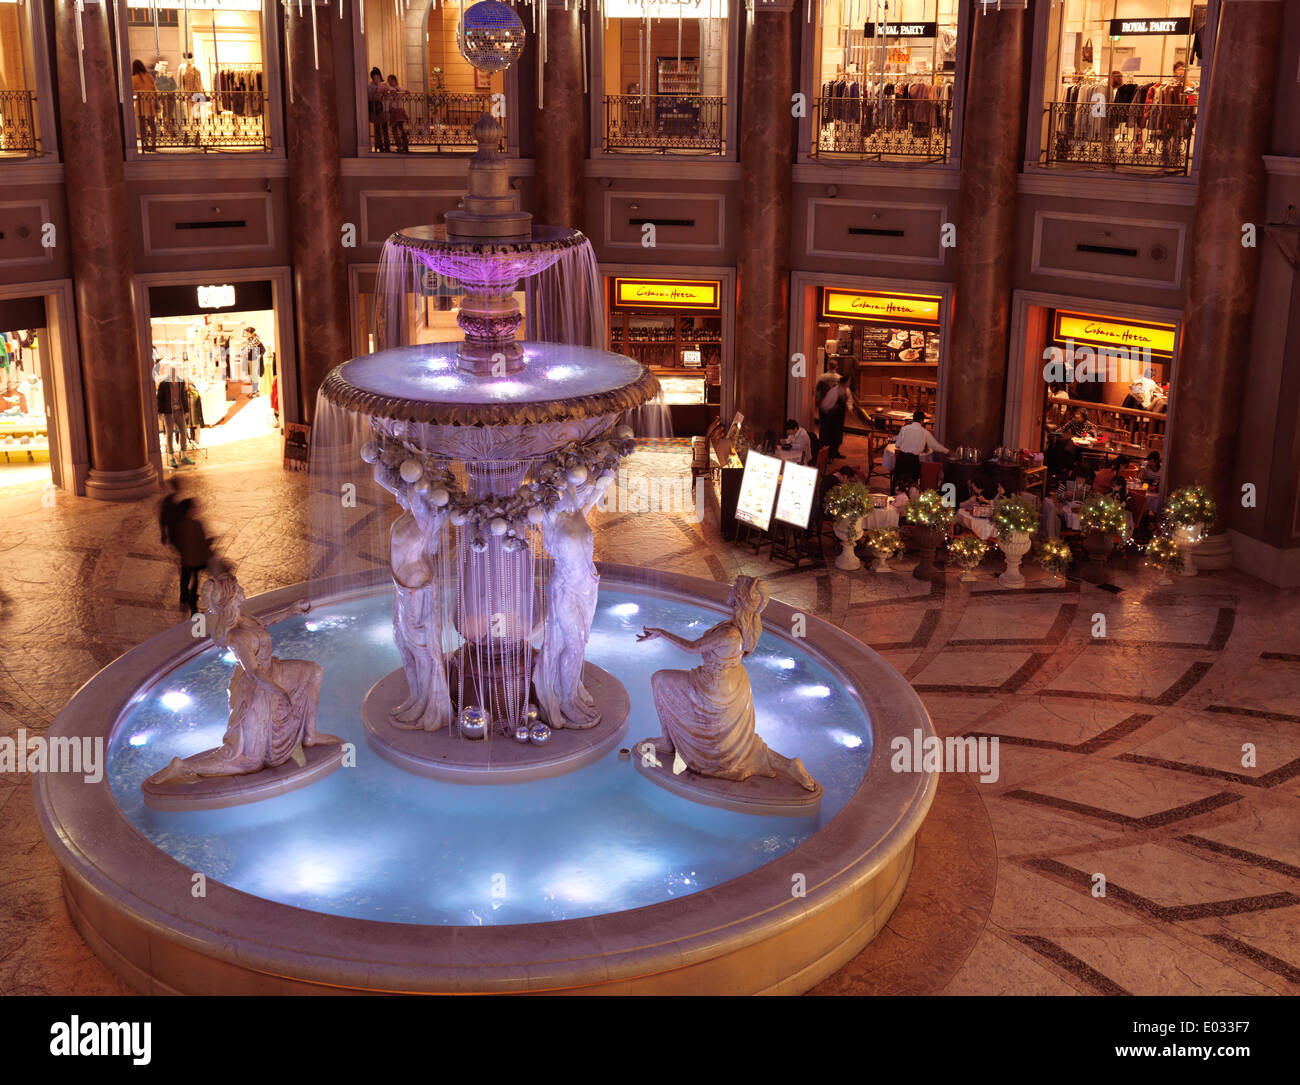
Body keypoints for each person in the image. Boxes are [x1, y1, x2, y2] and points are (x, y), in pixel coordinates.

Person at [637, 576, 816, 791]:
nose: (729, 591)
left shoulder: (729, 633)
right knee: (738, 743)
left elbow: (693, 647)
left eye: (733, 589)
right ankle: (788, 765)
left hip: (714, 686)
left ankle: (668, 741)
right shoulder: (746, 625)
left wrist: (661, 633)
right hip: (734, 682)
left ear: (737, 598)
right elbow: (745, 653)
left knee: (660, 679)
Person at [170, 498, 213, 615]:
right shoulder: (196, 525)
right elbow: (202, 542)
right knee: (195, 581)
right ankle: (193, 607)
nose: (197, 509)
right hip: (196, 559)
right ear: (188, 510)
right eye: (194, 507)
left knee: (185, 578)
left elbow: (177, 542)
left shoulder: (179, 525)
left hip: (186, 559)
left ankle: (184, 596)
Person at [893, 409, 948, 490]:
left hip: (901, 459)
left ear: (913, 419)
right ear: (922, 421)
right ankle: (910, 501)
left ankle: (895, 500)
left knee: (897, 484)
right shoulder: (925, 432)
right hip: (913, 461)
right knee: (912, 486)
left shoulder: (905, 429)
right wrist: (947, 451)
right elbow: (935, 445)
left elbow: (897, 445)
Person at [816, 369, 850, 460]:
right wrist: (829, 412)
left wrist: (849, 408)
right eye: (848, 382)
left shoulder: (846, 390)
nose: (848, 384)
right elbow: (825, 405)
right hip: (831, 417)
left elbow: (849, 401)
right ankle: (829, 454)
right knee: (830, 436)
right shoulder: (834, 391)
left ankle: (835, 452)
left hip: (839, 417)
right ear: (844, 382)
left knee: (838, 436)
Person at [131, 59, 160, 151]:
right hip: (151, 103)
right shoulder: (149, 76)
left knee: (142, 125)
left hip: (141, 104)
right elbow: (155, 89)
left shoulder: (134, 78)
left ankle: (145, 143)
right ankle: (154, 143)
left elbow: (133, 91)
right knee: (152, 124)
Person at [385, 73, 410, 153]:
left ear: (394, 80)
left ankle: (404, 145)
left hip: (398, 110)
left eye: (390, 80)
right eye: (388, 81)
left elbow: (405, 91)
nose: (389, 82)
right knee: (395, 129)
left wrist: (406, 91)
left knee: (400, 128)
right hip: (393, 110)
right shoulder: (390, 88)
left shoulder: (398, 88)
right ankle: (400, 145)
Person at [367, 68, 389, 152]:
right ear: (372, 78)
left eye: (377, 76)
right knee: (377, 129)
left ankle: (387, 146)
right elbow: (369, 97)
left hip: (383, 108)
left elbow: (391, 92)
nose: (376, 78)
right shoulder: (370, 86)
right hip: (375, 108)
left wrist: (386, 92)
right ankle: (378, 146)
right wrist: (375, 92)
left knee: (385, 127)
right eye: (374, 77)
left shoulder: (384, 84)